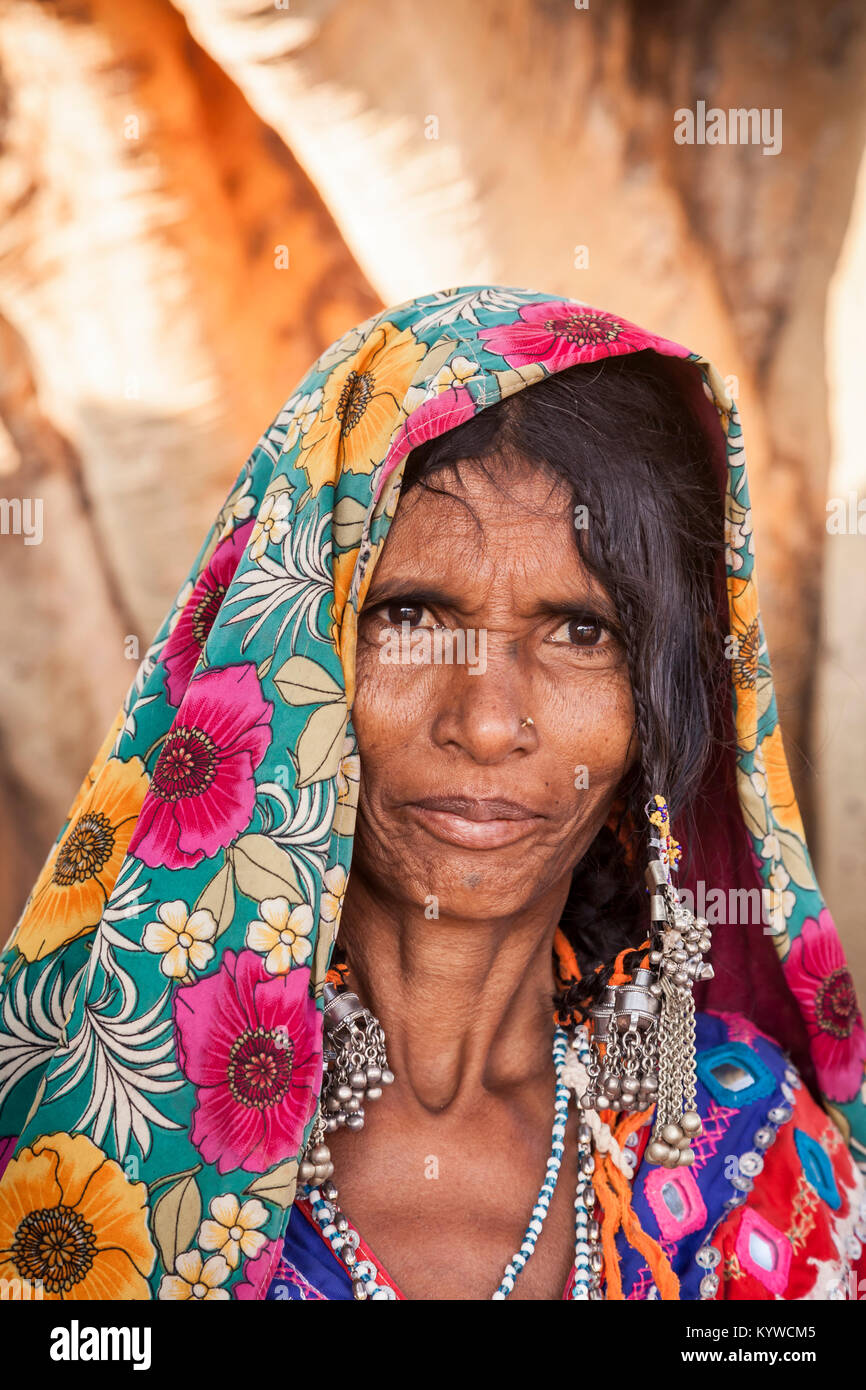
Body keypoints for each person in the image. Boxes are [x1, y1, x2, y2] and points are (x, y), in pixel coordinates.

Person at [0, 286, 863, 1302]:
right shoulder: (73, 1129)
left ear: (655, 710)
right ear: (288, 656)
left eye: (581, 631)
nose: (488, 721)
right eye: (410, 616)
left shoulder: (739, 1144)